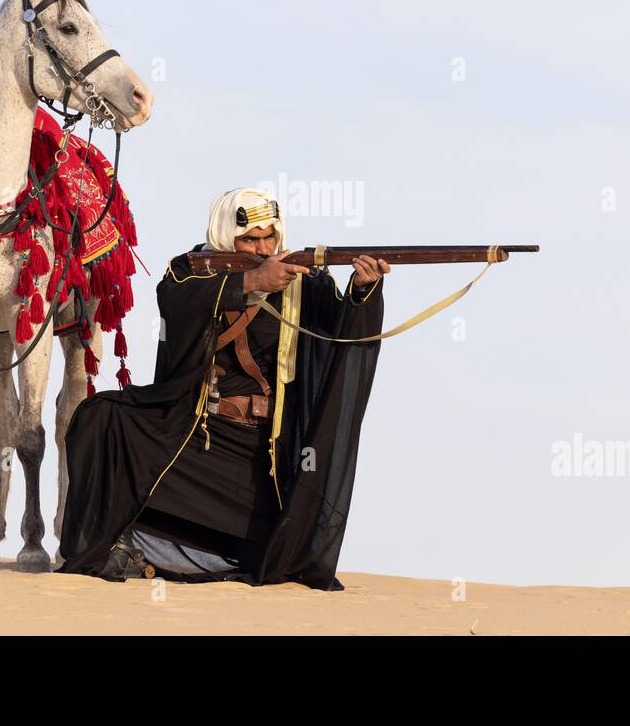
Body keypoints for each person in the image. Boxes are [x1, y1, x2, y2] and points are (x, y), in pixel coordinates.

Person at [55, 187, 389, 590]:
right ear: (226, 236)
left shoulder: (306, 281)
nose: (264, 248)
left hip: (265, 455)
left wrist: (362, 290)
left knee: (271, 557)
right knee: (102, 416)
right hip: (194, 433)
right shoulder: (194, 269)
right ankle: (110, 546)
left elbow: (341, 335)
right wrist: (249, 281)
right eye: (251, 239)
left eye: (270, 237)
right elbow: (175, 300)